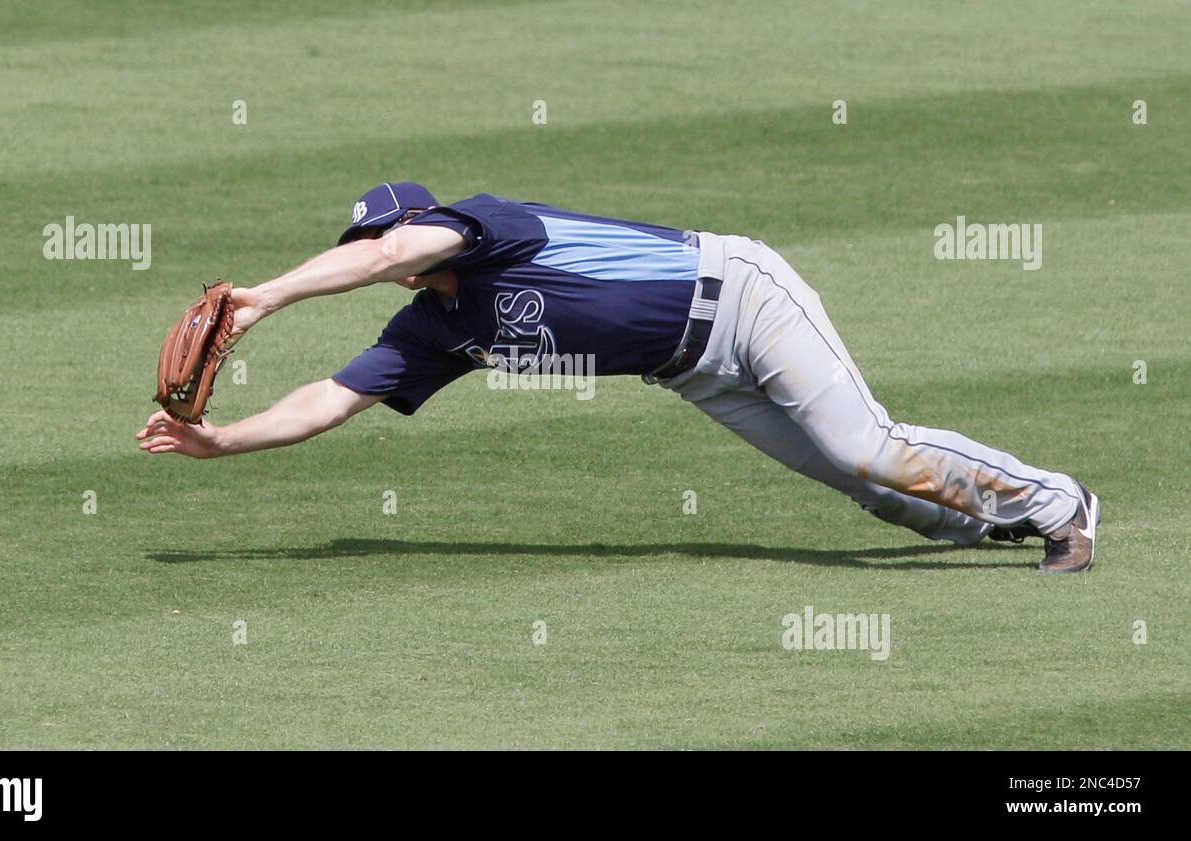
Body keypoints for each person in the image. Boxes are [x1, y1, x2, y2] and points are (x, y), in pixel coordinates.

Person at [137, 182, 1099, 572]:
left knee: (866, 444)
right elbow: (328, 401)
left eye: (385, 238)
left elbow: (387, 256)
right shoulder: (427, 330)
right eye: (370, 243)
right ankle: (989, 523)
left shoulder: (486, 223)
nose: (382, 252)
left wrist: (262, 297)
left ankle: (1061, 505)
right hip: (693, 371)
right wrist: (217, 440)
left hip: (746, 295)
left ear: (413, 228)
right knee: (864, 484)